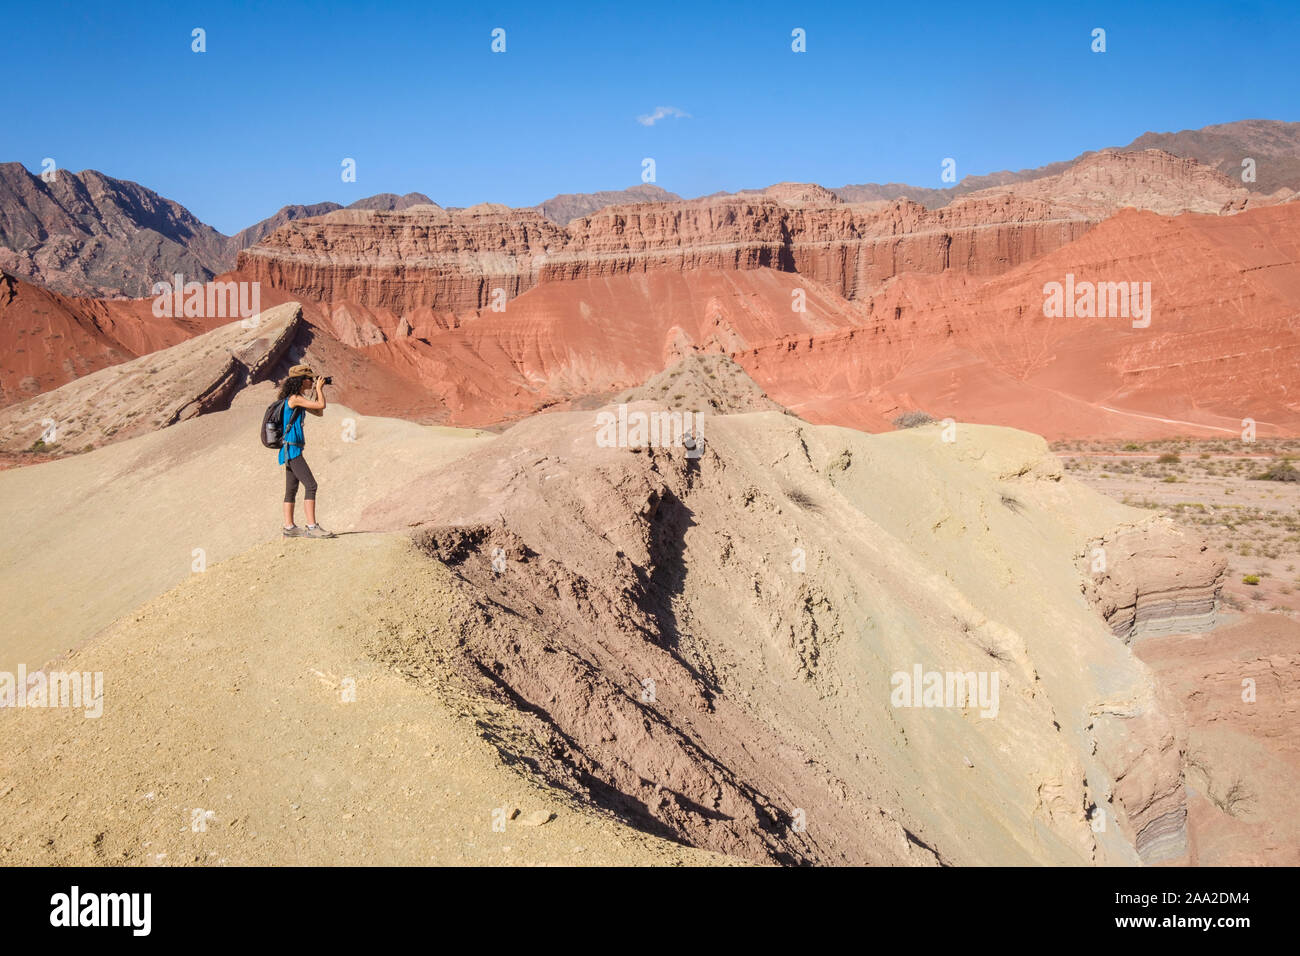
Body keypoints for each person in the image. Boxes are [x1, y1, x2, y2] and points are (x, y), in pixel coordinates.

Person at [278, 364, 334, 538]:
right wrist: (319, 388)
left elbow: (318, 411)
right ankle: (311, 527)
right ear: (301, 381)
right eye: (310, 379)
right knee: (311, 485)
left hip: (289, 449)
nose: (312, 381)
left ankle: (289, 527)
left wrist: (317, 391)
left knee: (291, 489)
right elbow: (322, 406)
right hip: (292, 450)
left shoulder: (296, 399)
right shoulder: (294, 398)